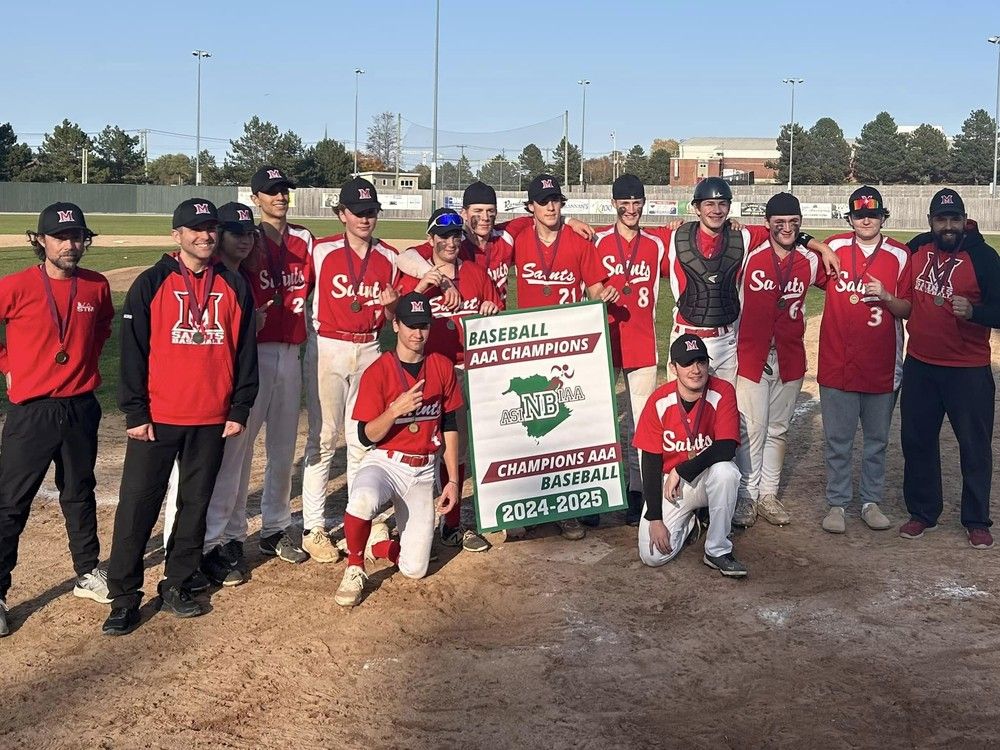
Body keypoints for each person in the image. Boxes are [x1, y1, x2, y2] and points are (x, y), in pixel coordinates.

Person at [102, 198, 258, 636]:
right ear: (177, 235)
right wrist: (135, 411)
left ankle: (177, 582)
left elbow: (245, 353)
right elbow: (132, 352)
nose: (205, 235)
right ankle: (125, 595)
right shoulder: (151, 283)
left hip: (211, 417)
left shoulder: (232, 284)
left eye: (211, 228)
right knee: (137, 508)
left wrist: (239, 406)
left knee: (194, 506)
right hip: (157, 418)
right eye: (195, 228)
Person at [0, 203, 114, 636]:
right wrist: (9, 364)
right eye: (61, 237)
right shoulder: (14, 286)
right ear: (41, 241)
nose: (71, 245)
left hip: (81, 407)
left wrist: (81, 364)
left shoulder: (97, 286)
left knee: (79, 492)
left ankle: (87, 572)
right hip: (32, 411)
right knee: (11, 502)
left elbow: (102, 327)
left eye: (78, 237)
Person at [161, 202, 276, 586]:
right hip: (199, 394)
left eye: (248, 234)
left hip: (233, 388)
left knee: (232, 468)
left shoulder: (238, 278)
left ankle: (212, 544)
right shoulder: (207, 276)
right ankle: (180, 551)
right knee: (193, 474)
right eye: (234, 233)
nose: (243, 240)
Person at [507, 173, 619, 541]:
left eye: (556, 200)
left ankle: (566, 511)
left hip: (567, 348)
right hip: (529, 348)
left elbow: (595, 288)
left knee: (564, 429)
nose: (552, 206)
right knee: (529, 428)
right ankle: (525, 504)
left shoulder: (578, 242)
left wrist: (606, 295)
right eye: (543, 201)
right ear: (531, 207)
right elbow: (486, 234)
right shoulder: (519, 238)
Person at [335, 292, 463, 606]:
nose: (417, 333)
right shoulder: (378, 370)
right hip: (385, 463)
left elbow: (448, 425)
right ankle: (354, 566)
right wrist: (394, 410)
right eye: (410, 325)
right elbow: (366, 436)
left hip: (421, 472)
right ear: (396, 324)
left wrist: (453, 480)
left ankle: (377, 546)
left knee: (415, 569)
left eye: (423, 325)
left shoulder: (441, 366)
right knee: (363, 498)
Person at [649, 178, 838, 385]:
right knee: (684, 410)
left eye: (723, 204)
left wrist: (820, 246)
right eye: (709, 204)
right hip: (685, 335)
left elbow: (783, 230)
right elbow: (633, 235)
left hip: (726, 340)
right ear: (696, 208)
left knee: (724, 408)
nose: (716, 210)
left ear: (730, 207)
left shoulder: (743, 236)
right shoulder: (674, 236)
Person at [300, 177, 400, 564]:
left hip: (371, 348)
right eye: (357, 212)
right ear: (342, 214)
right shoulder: (321, 250)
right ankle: (314, 527)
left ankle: (365, 515)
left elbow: (393, 315)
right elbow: (297, 290)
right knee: (323, 438)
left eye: (371, 212)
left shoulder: (388, 255)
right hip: (328, 346)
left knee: (364, 439)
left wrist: (392, 306)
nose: (365, 219)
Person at [899, 189, 1000, 549]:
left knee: (974, 446)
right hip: (921, 365)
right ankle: (923, 512)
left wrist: (975, 312)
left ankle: (976, 519)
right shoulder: (918, 246)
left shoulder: (984, 257)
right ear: (930, 221)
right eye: (941, 219)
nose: (948, 227)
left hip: (967, 369)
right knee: (917, 441)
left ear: (965, 220)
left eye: (954, 219)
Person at [398, 209, 503, 553]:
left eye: (456, 235)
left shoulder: (475, 273)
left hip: (468, 371)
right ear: (430, 239)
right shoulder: (421, 277)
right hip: (428, 373)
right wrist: (423, 285)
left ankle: (454, 524)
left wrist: (491, 307)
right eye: (442, 236)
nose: (450, 242)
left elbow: (497, 312)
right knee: (424, 448)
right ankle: (411, 521)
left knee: (459, 450)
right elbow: (398, 319)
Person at [816, 187, 912, 534]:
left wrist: (886, 296)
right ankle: (837, 502)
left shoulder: (900, 255)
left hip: (881, 365)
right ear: (850, 218)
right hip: (837, 361)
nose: (866, 219)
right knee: (837, 440)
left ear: (883, 216)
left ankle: (871, 501)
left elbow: (908, 308)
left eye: (872, 214)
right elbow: (796, 247)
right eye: (859, 215)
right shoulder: (836, 246)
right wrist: (818, 245)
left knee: (876, 441)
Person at [729, 193, 825, 529]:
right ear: (768, 223)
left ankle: (768, 494)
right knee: (751, 429)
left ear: (800, 224)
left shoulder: (809, 261)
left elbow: (840, 277)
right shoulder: (749, 255)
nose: (786, 227)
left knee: (778, 429)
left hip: (789, 357)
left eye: (793, 222)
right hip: (752, 355)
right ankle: (747, 494)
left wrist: (821, 247)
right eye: (779, 222)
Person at [245, 166, 314, 564]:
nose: (281, 197)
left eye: (284, 190)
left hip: (291, 353)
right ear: (256, 198)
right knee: (240, 447)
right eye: (271, 192)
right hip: (255, 353)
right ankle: (232, 534)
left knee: (283, 449)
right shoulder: (244, 238)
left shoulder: (304, 238)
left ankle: (274, 527)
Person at [632, 334, 746, 577]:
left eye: (701, 362)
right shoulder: (659, 401)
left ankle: (717, 549)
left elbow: (726, 447)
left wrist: (681, 469)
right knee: (652, 556)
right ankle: (691, 523)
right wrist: (654, 517)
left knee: (727, 471)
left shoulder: (722, 391)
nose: (696, 370)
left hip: (706, 478)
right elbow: (650, 459)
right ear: (674, 368)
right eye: (687, 364)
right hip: (672, 488)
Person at [590, 174, 669, 526]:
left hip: (641, 342)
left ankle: (638, 491)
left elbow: (700, 237)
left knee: (641, 423)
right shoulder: (597, 241)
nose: (632, 208)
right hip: (602, 343)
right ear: (613, 204)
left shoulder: (656, 244)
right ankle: (595, 491)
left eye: (637, 202)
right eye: (625, 202)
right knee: (598, 421)